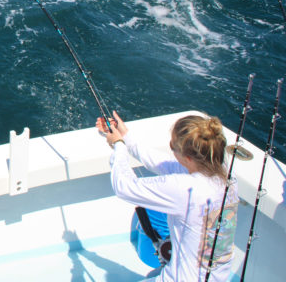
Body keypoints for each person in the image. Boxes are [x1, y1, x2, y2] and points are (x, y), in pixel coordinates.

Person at [96, 111, 238, 282]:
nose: (171, 150)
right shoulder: (226, 178)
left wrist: (118, 145)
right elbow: (161, 162)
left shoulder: (185, 189)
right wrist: (125, 135)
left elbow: (124, 187)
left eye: (172, 146)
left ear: (186, 157)